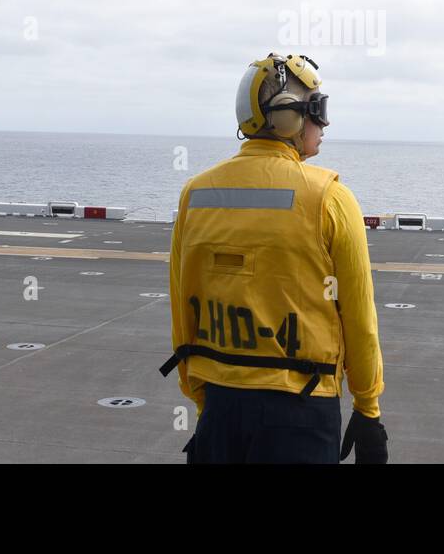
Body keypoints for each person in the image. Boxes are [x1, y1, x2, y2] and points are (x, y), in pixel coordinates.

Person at [160, 53, 386, 463]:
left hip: (220, 404)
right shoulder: (329, 198)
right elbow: (358, 318)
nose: (324, 125)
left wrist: (202, 402)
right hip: (302, 410)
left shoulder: (195, 195)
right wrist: (367, 409)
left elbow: (182, 306)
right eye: (318, 111)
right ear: (289, 119)